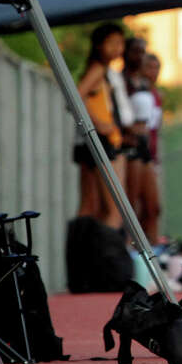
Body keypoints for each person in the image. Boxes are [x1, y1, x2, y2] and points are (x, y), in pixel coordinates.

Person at [72, 23, 128, 229]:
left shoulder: (104, 71)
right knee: (115, 211)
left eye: (120, 43)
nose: (117, 48)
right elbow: (75, 98)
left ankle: (83, 252)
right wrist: (98, 123)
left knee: (90, 206)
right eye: (111, 43)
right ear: (98, 45)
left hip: (93, 140)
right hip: (101, 141)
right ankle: (105, 256)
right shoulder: (97, 69)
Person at [127, 51, 164, 243]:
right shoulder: (134, 88)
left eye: (157, 68)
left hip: (150, 154)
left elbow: (154, 129)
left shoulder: (157, 95)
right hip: (135, 152)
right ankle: (131, 248)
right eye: (149, 67)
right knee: (134, 205)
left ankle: (153, 247)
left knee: (153, 207)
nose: (153, 72)